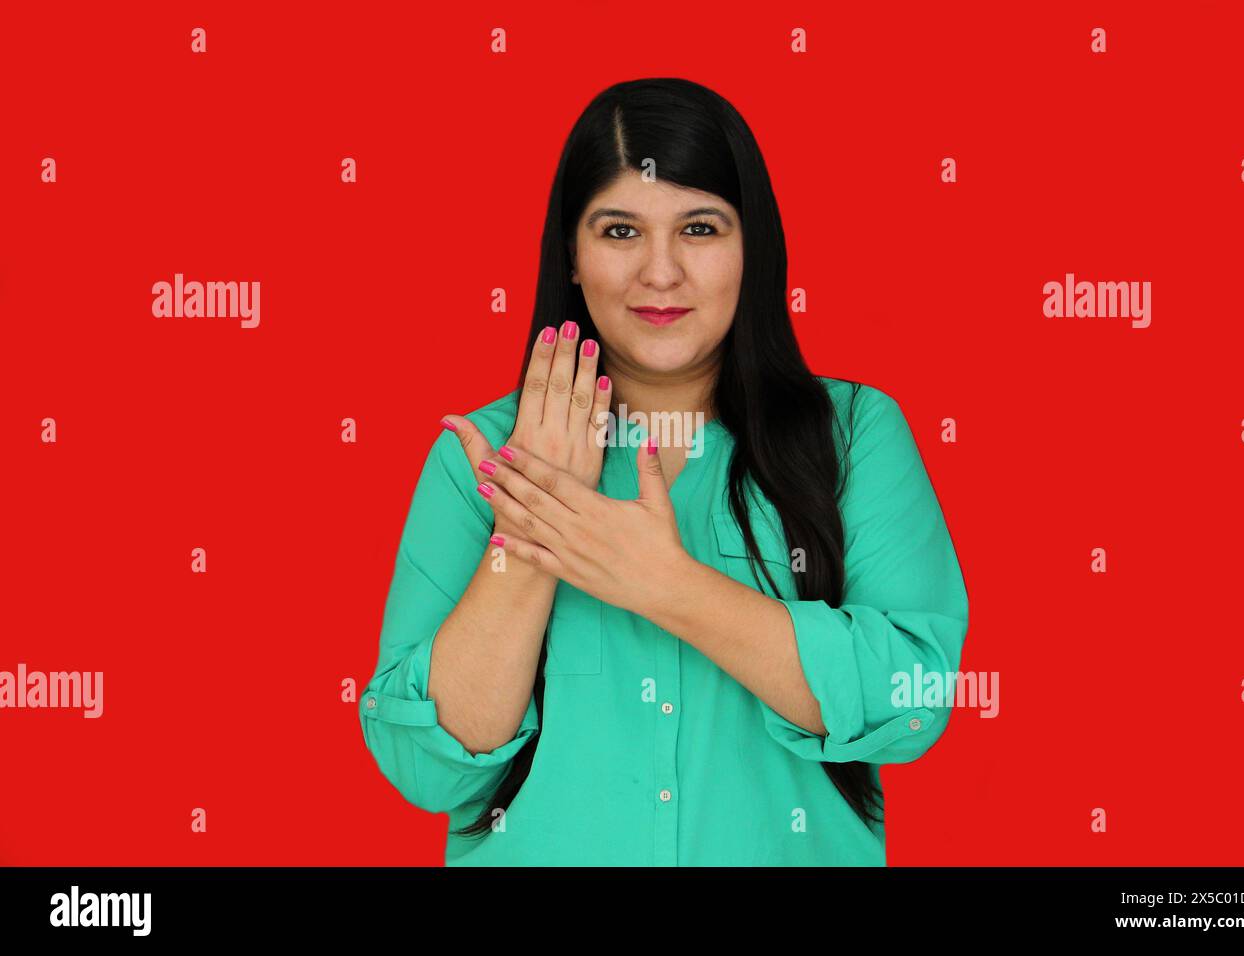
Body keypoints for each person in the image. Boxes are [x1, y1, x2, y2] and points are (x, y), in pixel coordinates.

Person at [359, 77, 969, 865]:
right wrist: (527, 527)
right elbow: (428, 767)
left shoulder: (855, 435)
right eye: (619, 231)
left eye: (700, 228)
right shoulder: (479, 457)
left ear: (754, 248)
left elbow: (910, 706)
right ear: (571, 258)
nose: (660, 272)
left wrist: (663, 583)